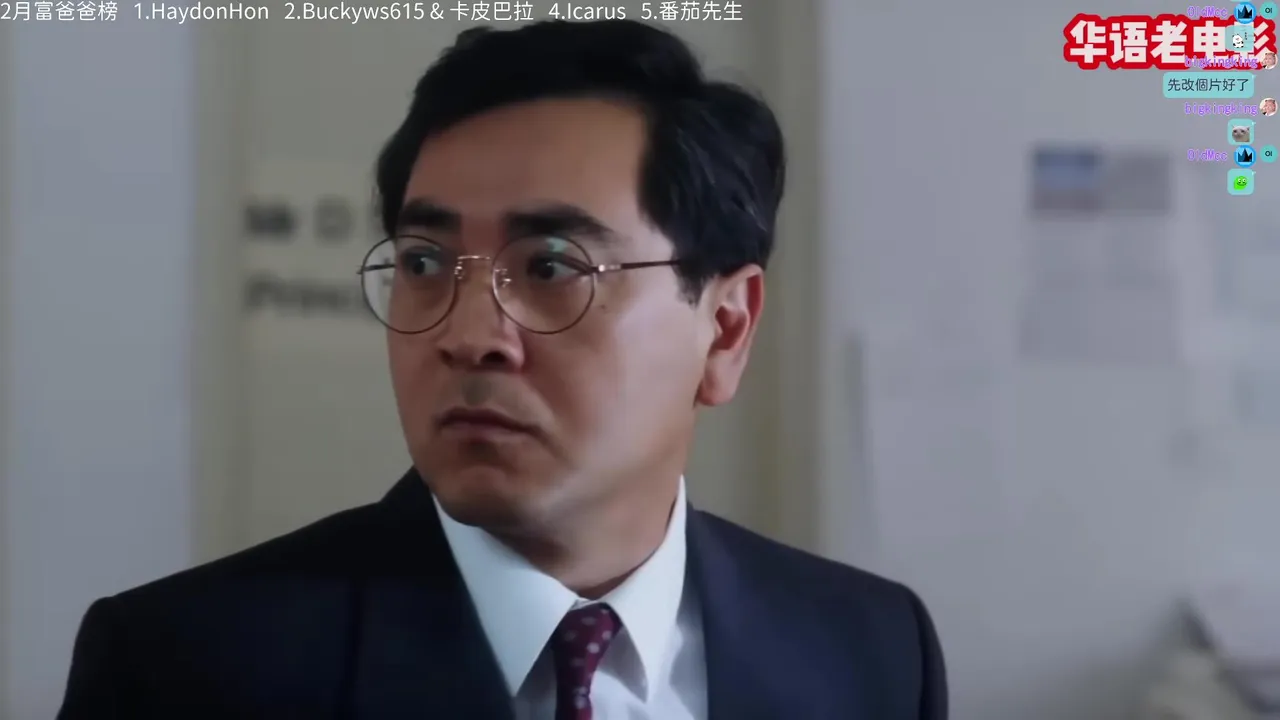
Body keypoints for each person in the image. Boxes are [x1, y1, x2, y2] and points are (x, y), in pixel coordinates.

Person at [58, 19, 947, 720]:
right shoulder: (186, 669)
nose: (470, 334)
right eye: (424, 263)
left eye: (552, 266)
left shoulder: (871, 654)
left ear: (724, 330)